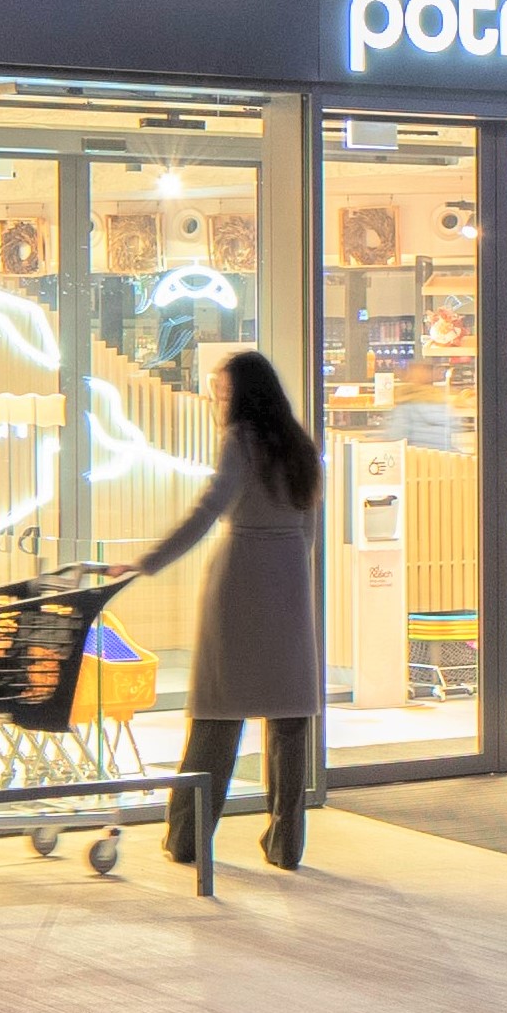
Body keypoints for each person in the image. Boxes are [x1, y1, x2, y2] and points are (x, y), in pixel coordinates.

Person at [125, 346, 325, 875]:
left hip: (242, 577)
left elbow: (209, 508)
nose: (217, 400)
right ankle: (286, 844)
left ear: (243, 395)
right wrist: (291, 569)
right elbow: (309, 528)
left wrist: (148, 561)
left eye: (222, 391)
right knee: (288, 718)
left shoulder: (241, 441)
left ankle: (188, 837)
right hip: (289, 580)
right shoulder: (301, 447)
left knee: (218, 711)